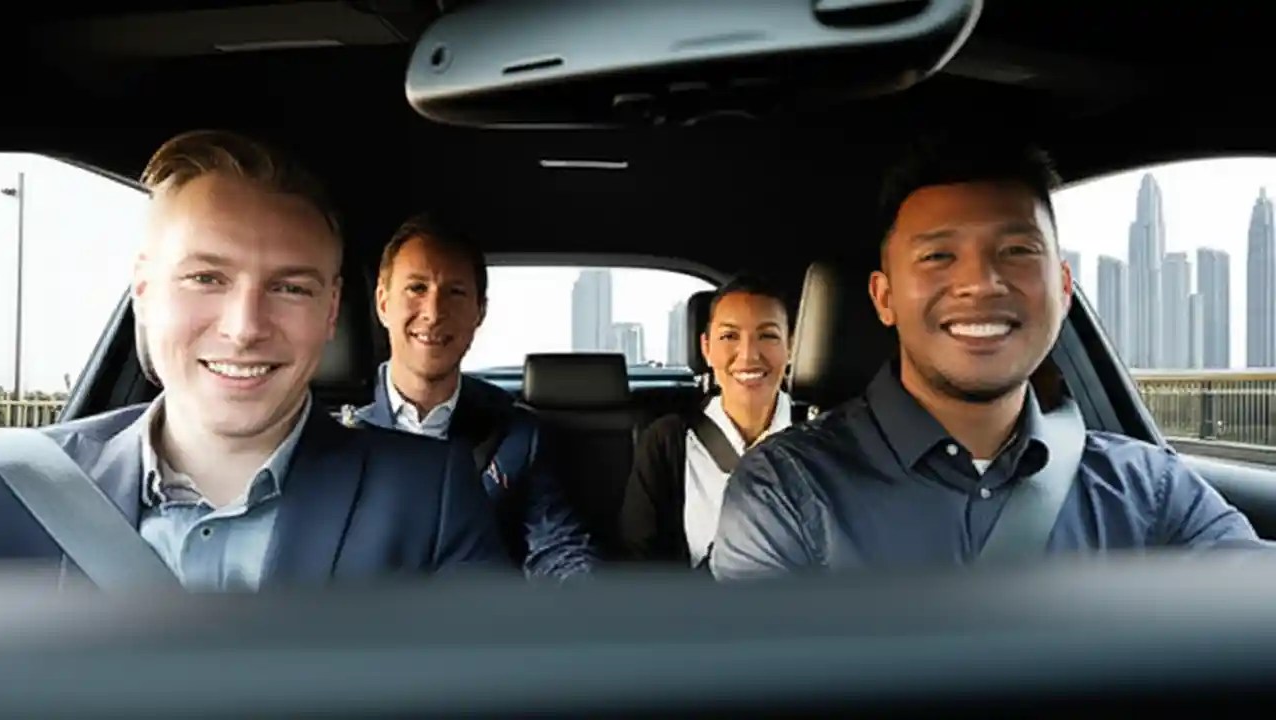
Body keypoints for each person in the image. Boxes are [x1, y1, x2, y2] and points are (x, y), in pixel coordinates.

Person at [710, 136, 1266, 580]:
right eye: (938, 256)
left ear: (1064, 289)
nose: (980, 281)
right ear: (884, 299)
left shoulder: (1150, 488)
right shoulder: (785, 491)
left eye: (1017, 251)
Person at [0, 130, 507, 591]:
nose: (244, 328)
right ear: (145, 290)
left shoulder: (429, 501)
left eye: (289, 288)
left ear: (331, 311)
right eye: (206, 278)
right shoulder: (20, 487)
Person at [352, 213, 597, 581]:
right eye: (417, 288)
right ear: (383, 303)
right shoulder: (332, 431)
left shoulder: (515, 435)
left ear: (479, 312)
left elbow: (556, 548)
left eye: (455, 292)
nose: (433, 313)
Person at [620, 274, 795, 568]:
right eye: (729, 336)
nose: (749, 355)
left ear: (790, 346)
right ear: (706, 348)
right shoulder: (668, 443)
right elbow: (641, 570)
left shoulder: (827, 437)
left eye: (768, 335)